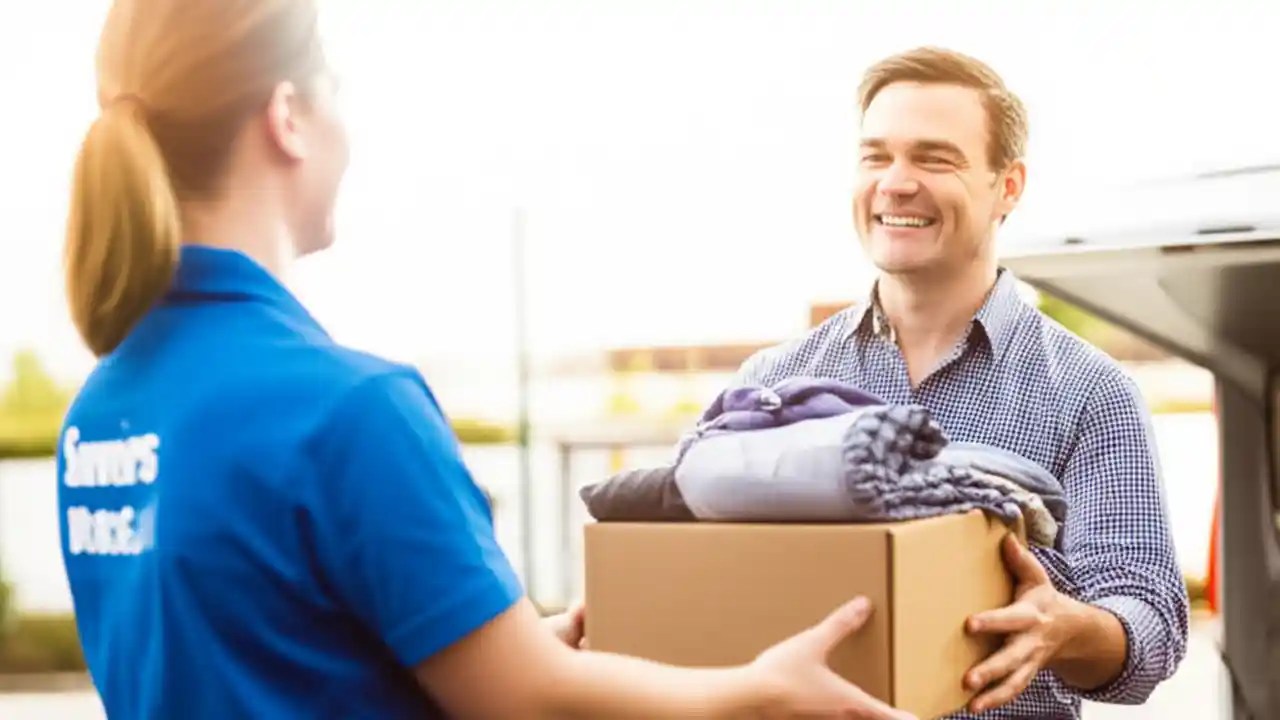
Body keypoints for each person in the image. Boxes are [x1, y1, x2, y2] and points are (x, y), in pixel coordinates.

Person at [56, 2, 922, 719]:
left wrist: (482, 644)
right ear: (287, 117)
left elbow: (262, 664)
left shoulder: (98, 413)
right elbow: (527, 705)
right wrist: (753, 694)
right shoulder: (346, 409)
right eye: (339, 96)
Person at [713, 46, 1190, 719]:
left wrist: (1064, 628)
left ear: (1009, 187)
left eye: (934, 159)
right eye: (876, 156)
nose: (896, 183)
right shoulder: (772, 385)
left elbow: (1151, 625)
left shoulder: (1091, 391)